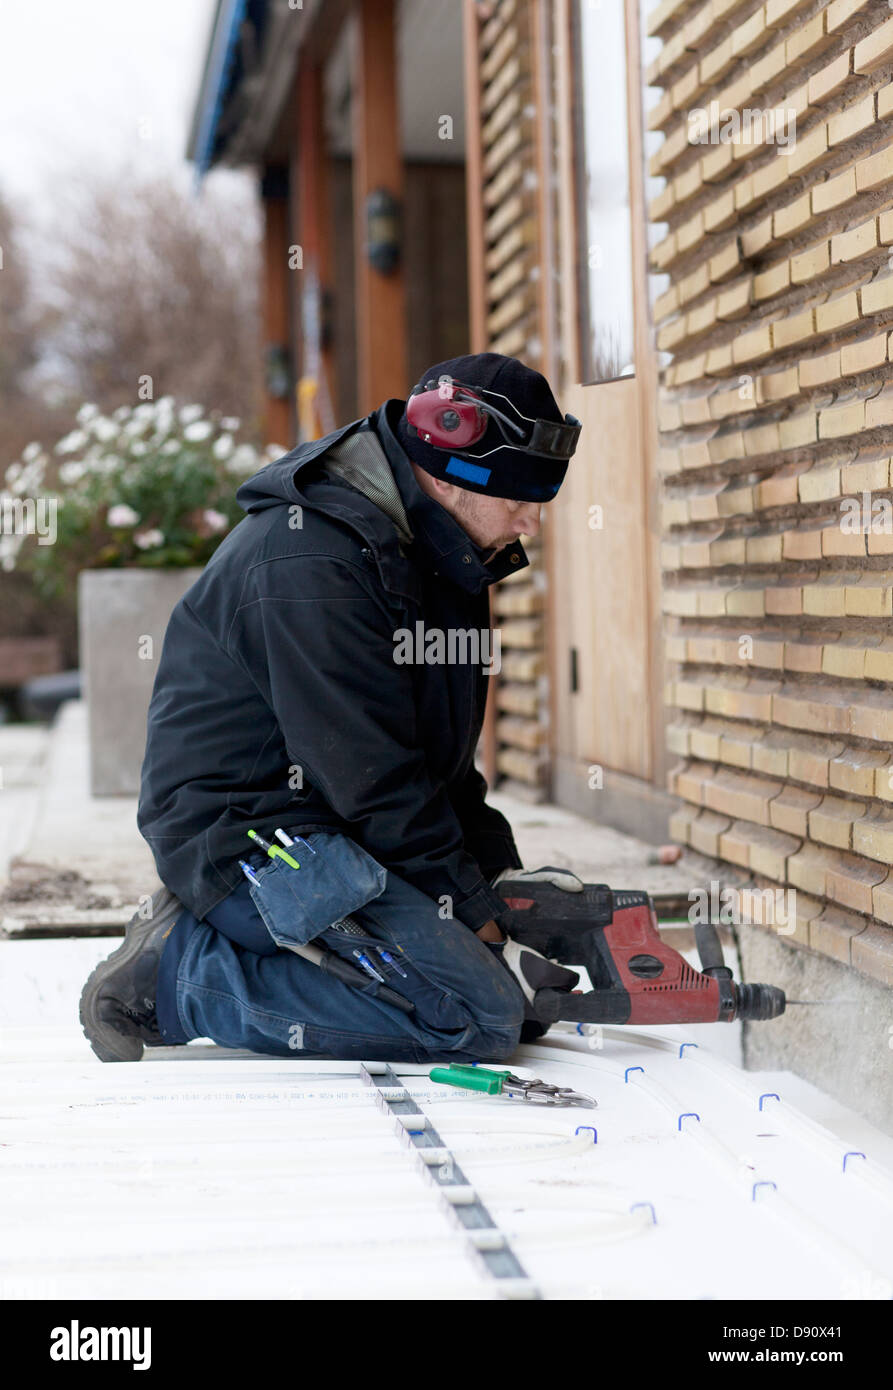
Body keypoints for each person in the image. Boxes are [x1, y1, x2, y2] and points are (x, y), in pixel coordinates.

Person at [80, 352, 584, 1064]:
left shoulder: (447, 551)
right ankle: (180, 972)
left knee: (519, 1010)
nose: (531, 521)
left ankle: (249, 945)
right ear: (449, 474)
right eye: (520, 497)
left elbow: (440, 764)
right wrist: (484, 930)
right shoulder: (311, 562)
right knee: (478, 1015)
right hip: (252, 834)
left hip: (339, 818)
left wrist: (496, 883)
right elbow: (372, 779)